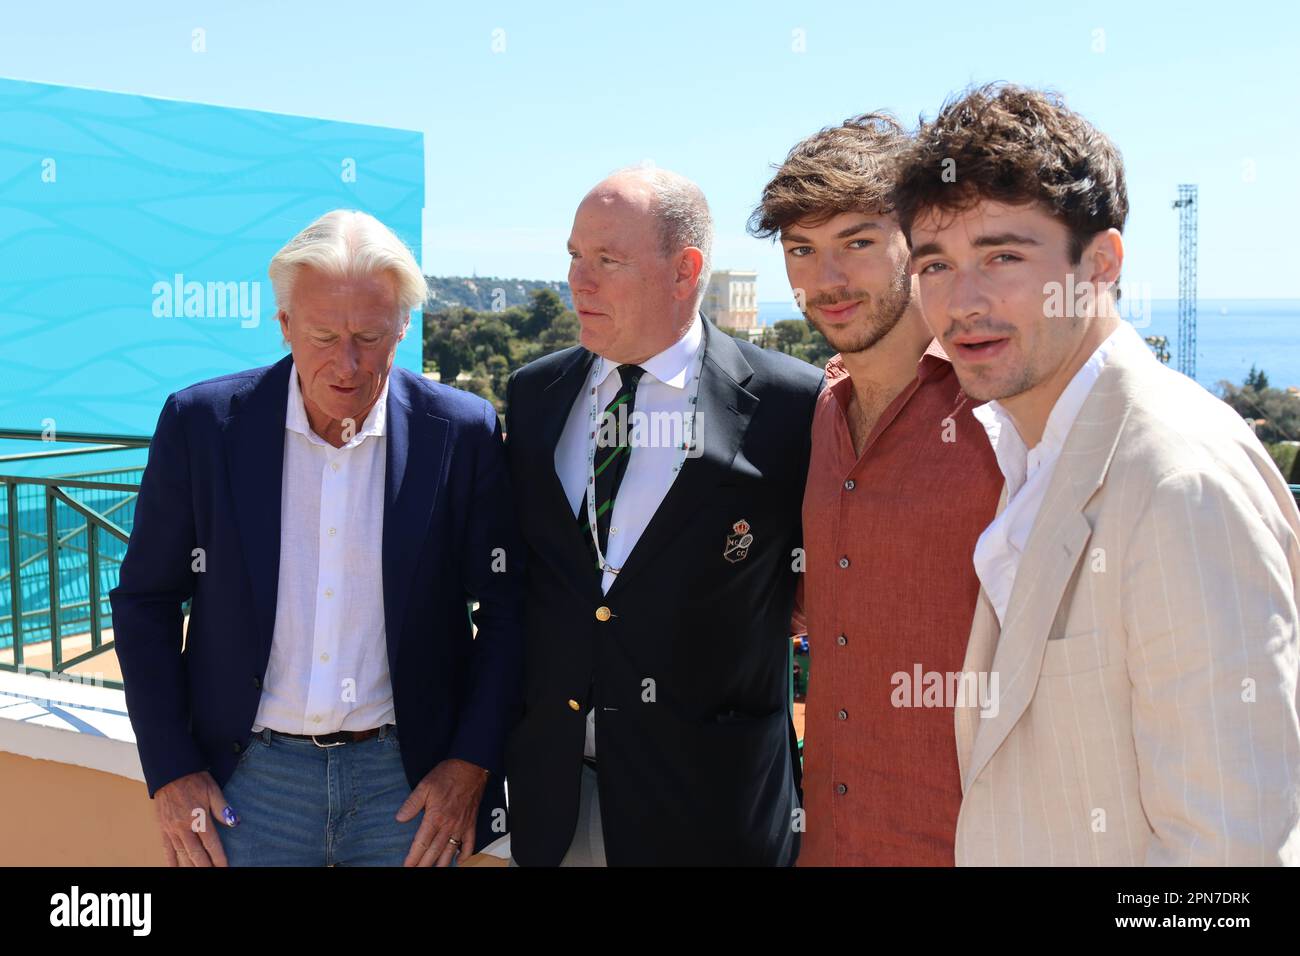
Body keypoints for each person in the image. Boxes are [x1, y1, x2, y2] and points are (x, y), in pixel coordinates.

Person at [895, 84, 1300, 864]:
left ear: (1101, 263)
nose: (962, 301)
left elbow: (1228, 861)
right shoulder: (1037, 450)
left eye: (1003, 256)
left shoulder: (1180, 482)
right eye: (936, 264)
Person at [110, 210, 524, 866]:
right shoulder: (201, 425)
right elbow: (144, 604)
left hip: (407, 787)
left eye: (369, 335)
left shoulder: (463, 431)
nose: (348, 363)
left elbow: (509, 609)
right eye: (324, 336)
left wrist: (469, 764)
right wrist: (169, 770)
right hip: (246, 789)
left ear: (402, 328)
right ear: (284, 328)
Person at [504, 166, 823, 865]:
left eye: (607, 261)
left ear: (685, 272)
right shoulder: (534, 394)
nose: (578, 282)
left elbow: (827, 575)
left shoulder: (793, 404)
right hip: (555, 804)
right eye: (573, 257)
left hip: (713, 812)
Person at [748, 113, 1002, 866]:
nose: (826, 280)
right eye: (802, 250)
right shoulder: (816, 415)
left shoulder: (1000, 412)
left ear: (917, 242)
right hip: (831, 837)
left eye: (857, 242)